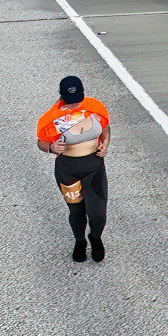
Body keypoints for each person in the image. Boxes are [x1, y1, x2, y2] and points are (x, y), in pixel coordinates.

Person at [34, 75, 110, 262]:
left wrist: (105, 143)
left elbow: (106, 127)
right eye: (69, 102)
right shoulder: (52, 117)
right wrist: (51, 148)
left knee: (97, 212)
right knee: (76, 211)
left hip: (94, 167)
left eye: (77, 101)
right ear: (61, 97)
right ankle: (79, 241)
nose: (74, 106)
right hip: (68, 169)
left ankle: (95, 238)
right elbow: (41, 142)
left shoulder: (95, 107)